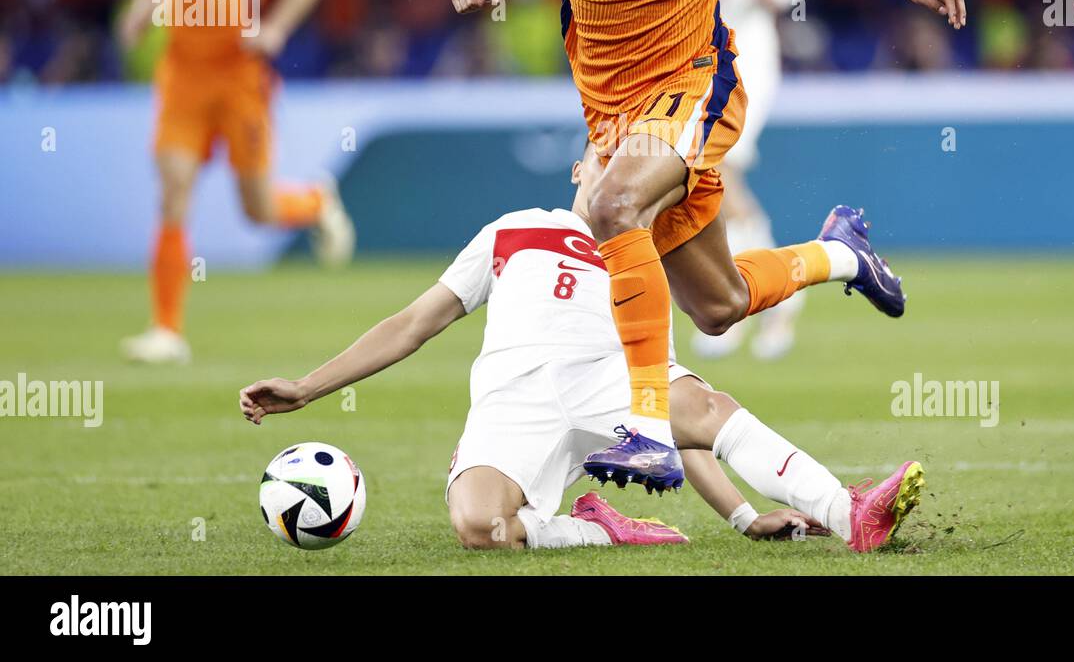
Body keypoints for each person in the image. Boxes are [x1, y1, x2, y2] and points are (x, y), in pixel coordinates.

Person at [413, 0, 963, 488]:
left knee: (609, 206)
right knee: (718, 306)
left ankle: (645, 428)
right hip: (612, 113)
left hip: (698, 81)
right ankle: (842, 255)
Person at [239, 144, 926, 552]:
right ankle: (597, 529)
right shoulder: (512, 229)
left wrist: (742, 518)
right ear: (579, 168)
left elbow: (669, 423)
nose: (618, 172)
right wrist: (307, 387)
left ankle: (849, 513)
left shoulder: (644, 253)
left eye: (631, 159)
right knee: (482, 530)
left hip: (607, 380)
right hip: (514, 399)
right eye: (606, 153)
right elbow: (414, 323)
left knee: (708, 406)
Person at [116, 0, 354, 364]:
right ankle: (166, 331)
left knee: (259, 209)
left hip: (240, 78)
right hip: (182, 76)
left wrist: (275, 29)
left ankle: (316, 201)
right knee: (172, 192)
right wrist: (137, 14)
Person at [684, 0, 828, 361]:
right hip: (698, 56)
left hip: (751, 53)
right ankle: (754, 302)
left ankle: (756, 301)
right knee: (706, 182)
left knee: (715, 172)